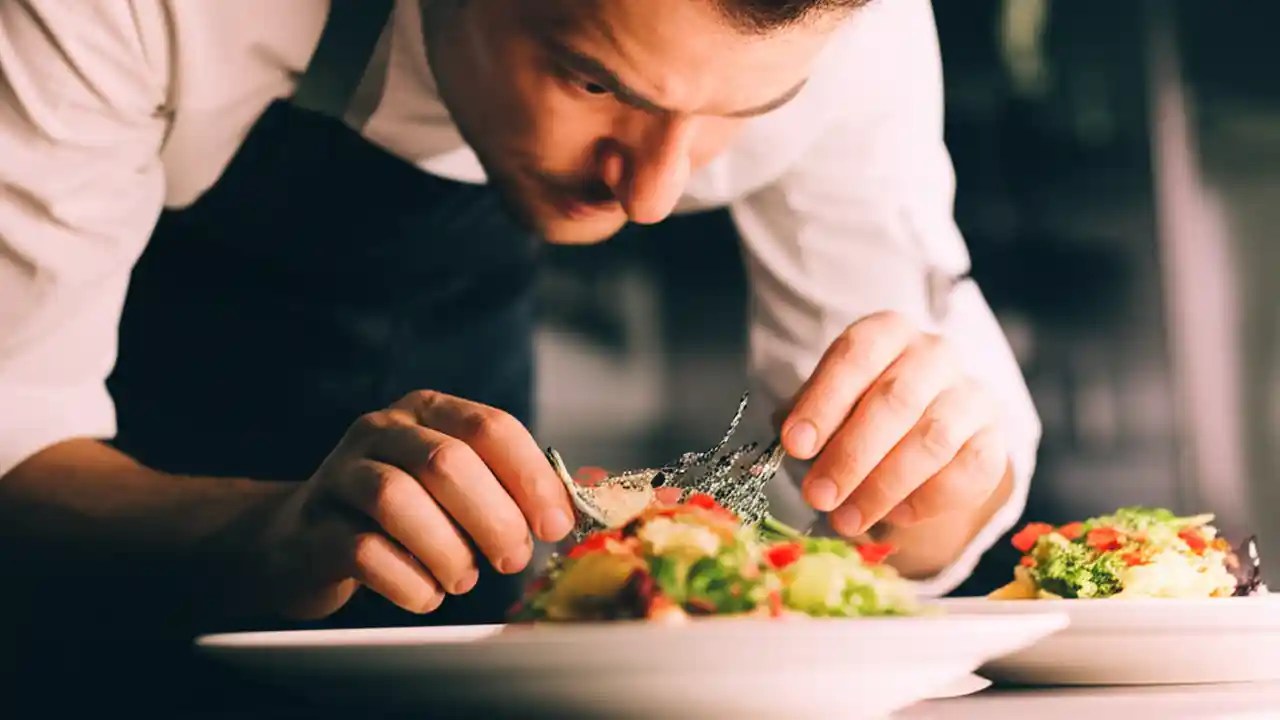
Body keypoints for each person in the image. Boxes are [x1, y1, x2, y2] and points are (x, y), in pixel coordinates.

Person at [0, 0, 1040, 708]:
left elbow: (918, 469)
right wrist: (261, 534)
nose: (649, 193)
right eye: (593, 82)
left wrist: (930, 489)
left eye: (739, 115)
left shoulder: (850, 28)